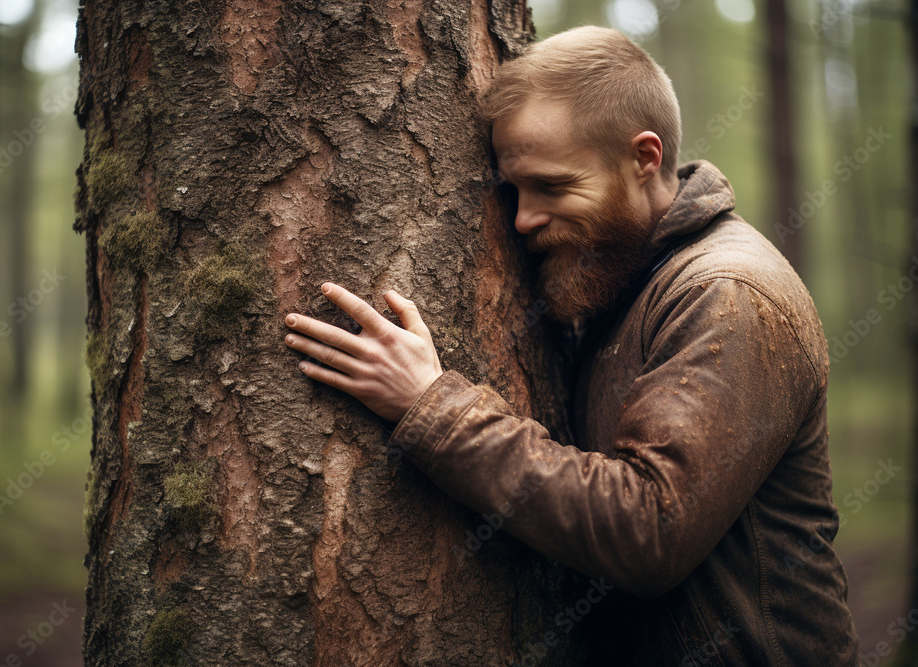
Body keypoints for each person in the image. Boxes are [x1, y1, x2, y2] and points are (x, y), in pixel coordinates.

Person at [281, 25, 859, 664]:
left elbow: (650, 529)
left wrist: (433, 405)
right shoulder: (615, 277)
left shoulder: (729, 293)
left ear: (644, 157)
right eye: (515, 190)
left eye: (552, 187)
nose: (523, 218)